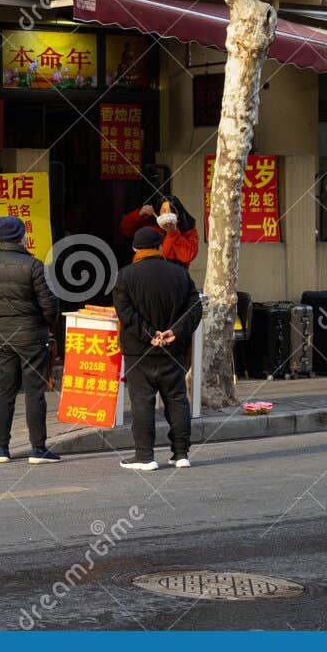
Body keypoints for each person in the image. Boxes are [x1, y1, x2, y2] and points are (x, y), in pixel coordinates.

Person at [111, 225, 203, 471]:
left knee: (142, 402)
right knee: (177, 399)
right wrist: (175, 331)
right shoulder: (180, 274)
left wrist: (150, 334)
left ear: (134, 248)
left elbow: (126, 313)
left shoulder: (126, 275)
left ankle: (145, 456)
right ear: (160, 247)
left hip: (139, 351)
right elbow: (195, 308)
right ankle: (181, 454)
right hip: (173, 350)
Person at [0, 215, 61, 465]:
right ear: (21, 237)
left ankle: (2, 449)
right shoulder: (33, 266)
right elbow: (49, 303)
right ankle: (38, 448)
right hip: (32, 335)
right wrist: (45, 323)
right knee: (34, 391)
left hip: (3, 336)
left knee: (4, 391)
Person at [120, 195, 199, 267]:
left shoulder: (188, 230)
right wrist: (140, 213)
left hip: (176, 275)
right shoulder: (151, 226)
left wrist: (173, 232)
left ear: (178, 214)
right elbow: (125, 229)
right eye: (164, 210)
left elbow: (188, 256)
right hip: (151, 270)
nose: (167, 214)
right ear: (158, 213)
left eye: (172, 211)